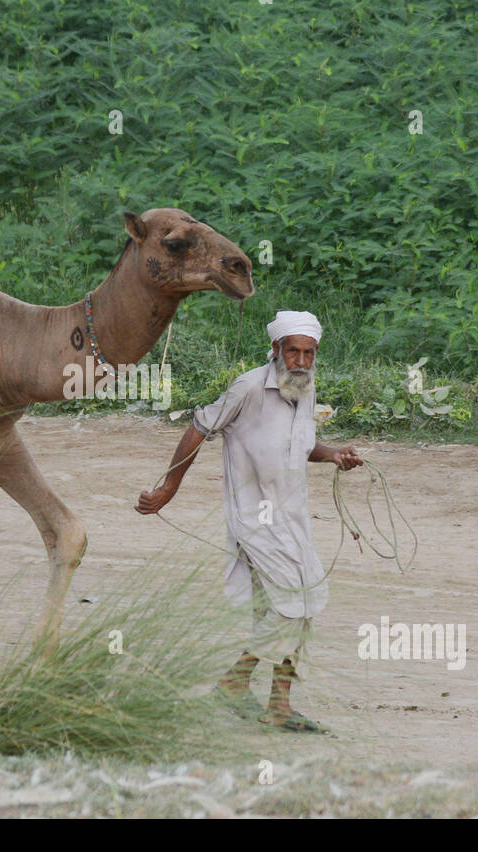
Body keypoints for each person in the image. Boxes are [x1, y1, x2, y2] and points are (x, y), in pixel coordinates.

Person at [136, 311, 361, 732]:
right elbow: (199, 427)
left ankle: (277, 704)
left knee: (302, 606)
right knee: (294, 605)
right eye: (292, 351)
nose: (300, 360)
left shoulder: (305, 388)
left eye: (308, 353)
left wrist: (332, 454)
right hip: (254, 518)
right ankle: (233, 684)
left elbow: (302, 442)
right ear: (275, 349)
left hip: (293, 519)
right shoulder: (249, 386)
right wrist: (168, 488)